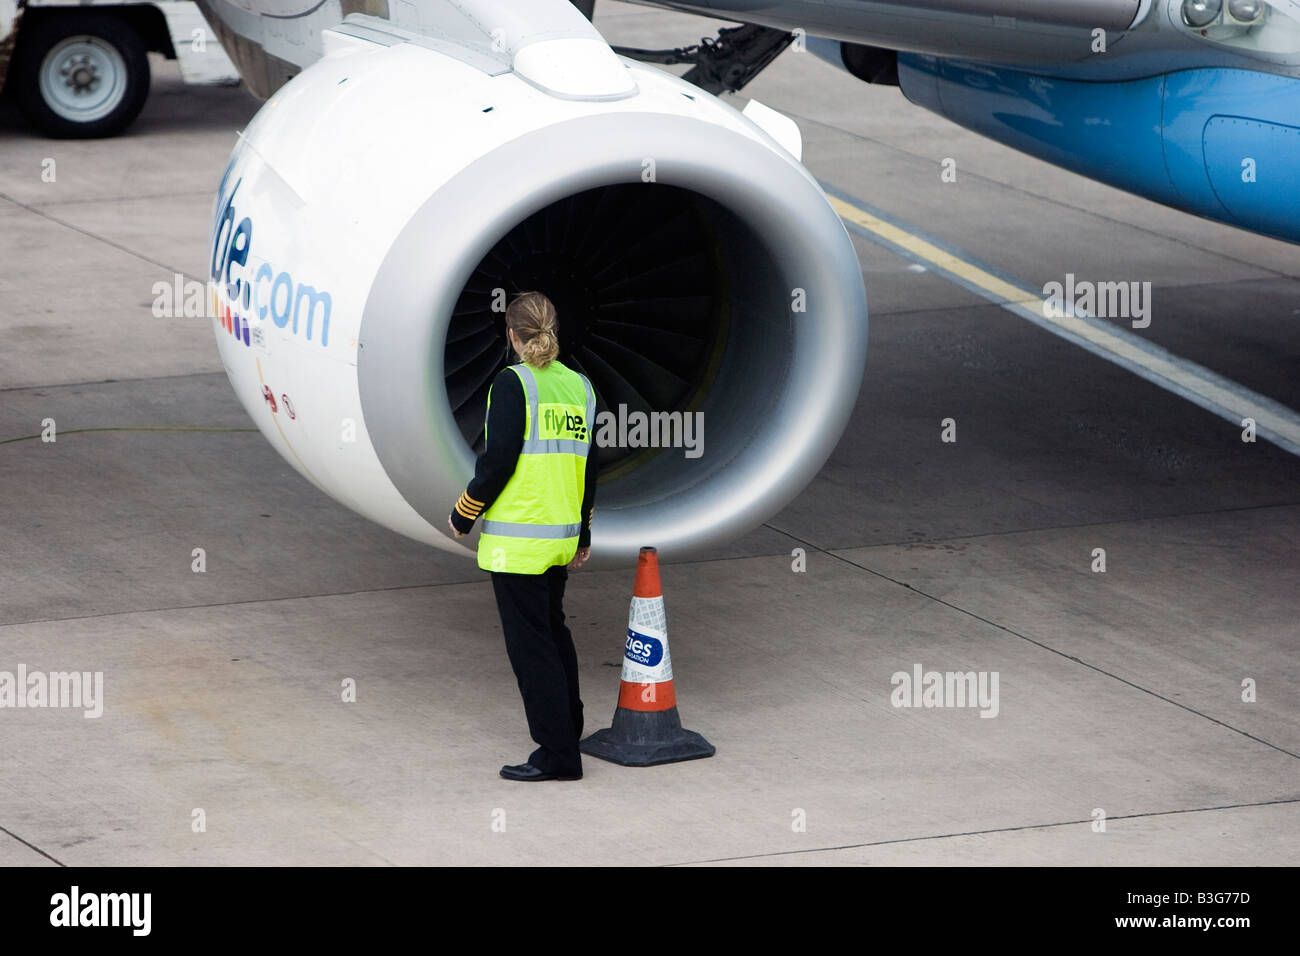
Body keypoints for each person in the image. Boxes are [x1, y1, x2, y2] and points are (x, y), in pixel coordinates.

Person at [448, 291, 598, 782]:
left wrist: (464, 512)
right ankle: (568, 732)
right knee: (554, 634)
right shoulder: (579, 387)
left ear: (511, 335)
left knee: (531, 648)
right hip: (558, 536)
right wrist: (582, 533)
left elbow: (497, 461)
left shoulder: (513, 384)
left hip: (518, 542)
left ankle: (558, 755)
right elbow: (588, 467)